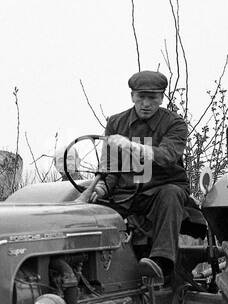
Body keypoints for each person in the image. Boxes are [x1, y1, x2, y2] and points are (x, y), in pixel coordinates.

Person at [80, 70, 191, 286]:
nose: (146, 103)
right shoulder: (116, 122)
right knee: (89, 211)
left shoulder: (175, 124)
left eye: (153, 98)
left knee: (171, 194)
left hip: (159, 189)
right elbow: (110, 169)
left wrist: (133, 147)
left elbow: (167, 156)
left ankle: (161, 263)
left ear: (162, 98)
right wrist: (101, 188)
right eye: (141, 97)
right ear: (132, 96)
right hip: (126, 194)